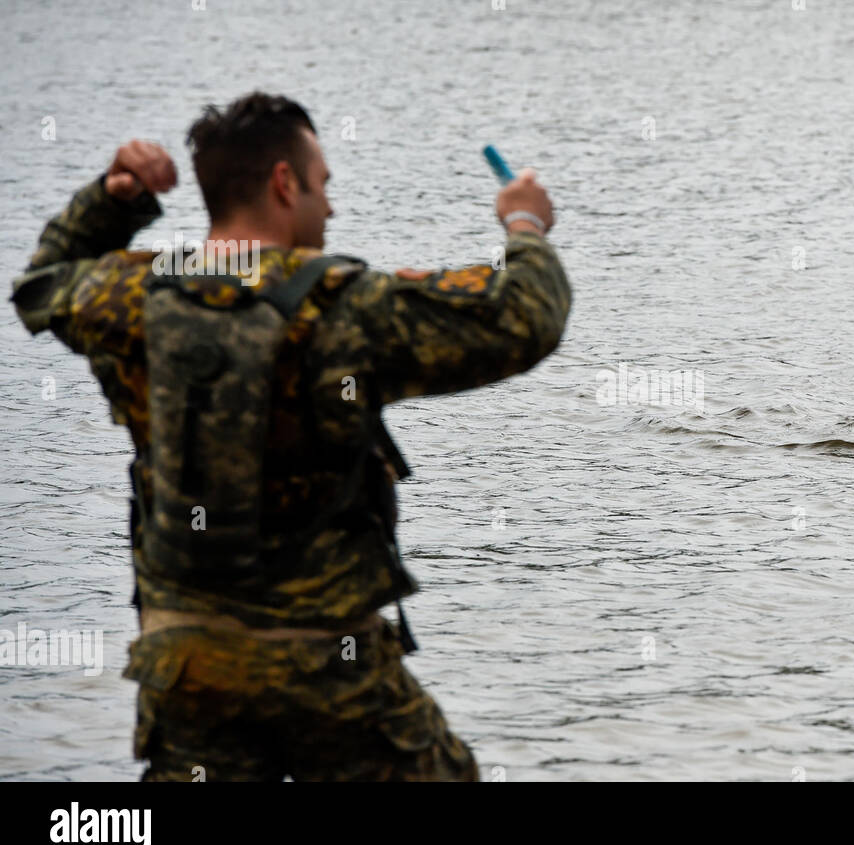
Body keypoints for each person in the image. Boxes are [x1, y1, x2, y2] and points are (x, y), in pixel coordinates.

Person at [9, 92, 572, 780]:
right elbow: (524, 319)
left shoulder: (126, 296)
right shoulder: (344, 304)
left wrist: (113, 198)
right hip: (331, 669)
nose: (329, 208)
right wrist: (524, 223)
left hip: (189, 669)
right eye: (323, 185)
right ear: (285, 182)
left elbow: (40, 284)